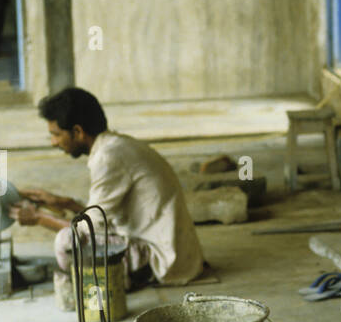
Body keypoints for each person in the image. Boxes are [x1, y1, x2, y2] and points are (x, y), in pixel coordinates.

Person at [12, 87, 206, 290]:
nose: (53, 143)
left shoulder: (108, 157)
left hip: (162, 259)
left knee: (66, 241)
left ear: (77, 132)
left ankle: (100, 288)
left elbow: (88, 228)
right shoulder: (116, 145)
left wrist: (39, 218)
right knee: (85, 232)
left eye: (56, 135)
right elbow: (101, 215)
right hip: (172, 250)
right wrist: (64, 203)